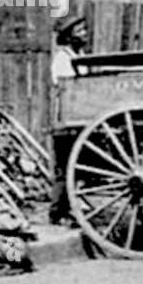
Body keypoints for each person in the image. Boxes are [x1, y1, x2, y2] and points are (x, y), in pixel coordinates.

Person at [48, 14, 90, 225]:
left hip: (78, 119)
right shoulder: (63, 59)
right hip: (66, 122)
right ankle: (58, 213)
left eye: (84, 29)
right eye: (79, 31)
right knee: (65, 169)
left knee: (73, 168)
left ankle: (66, 209)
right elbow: (69, 87)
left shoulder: (78, 55)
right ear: (68, 36)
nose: (84, 34)